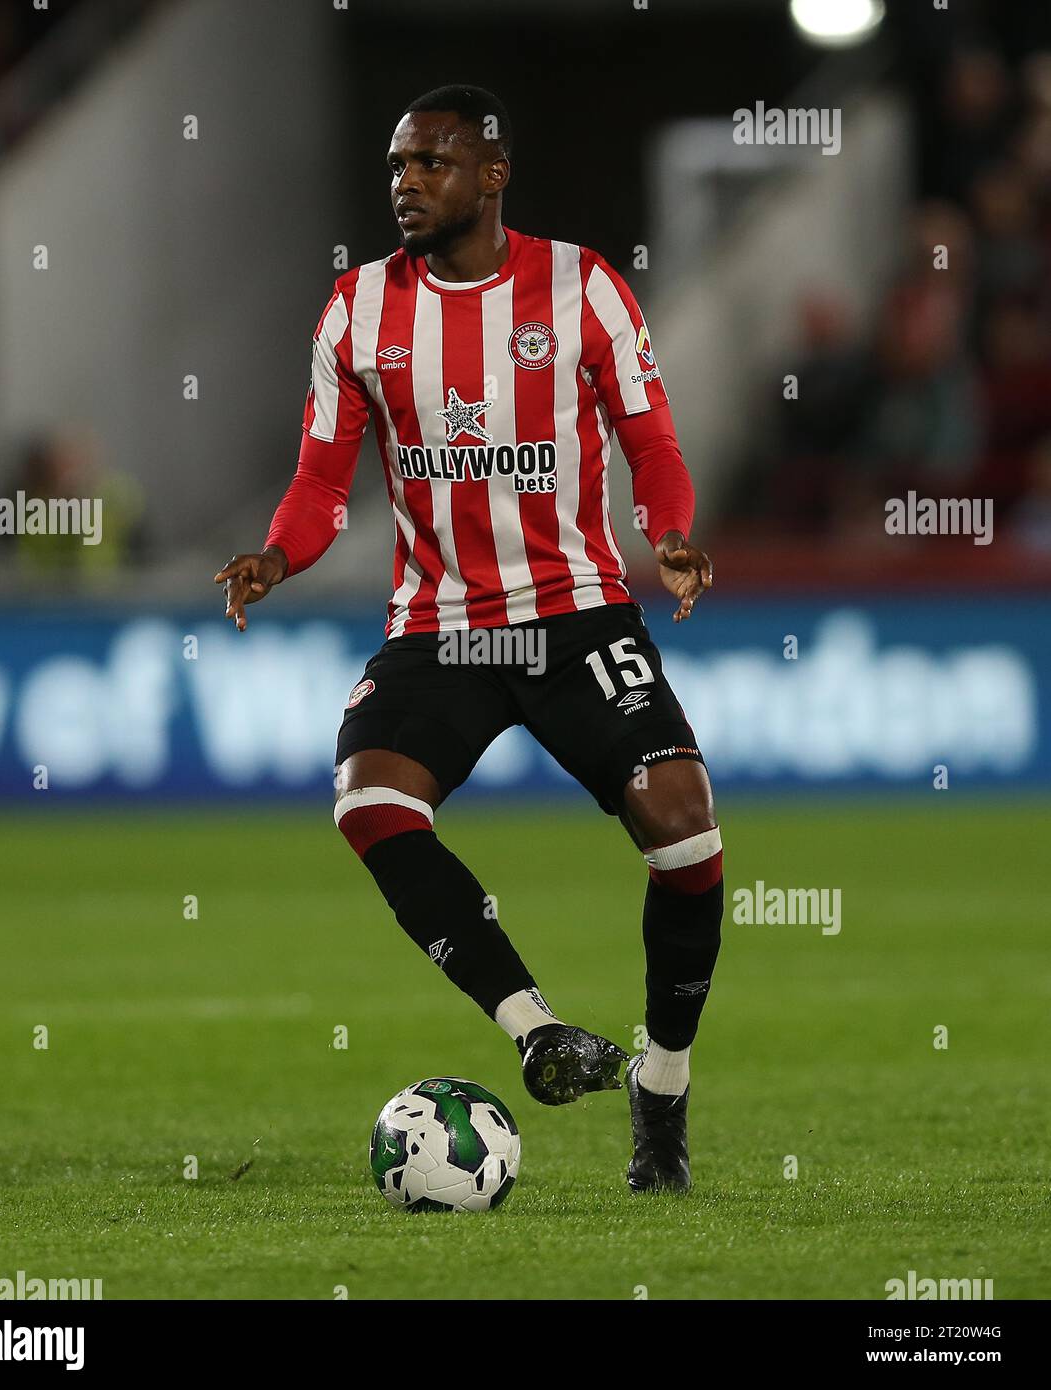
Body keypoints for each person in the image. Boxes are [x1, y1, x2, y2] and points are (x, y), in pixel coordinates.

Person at [215, 85, 720, 1193]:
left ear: (491, 175)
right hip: (442, 626)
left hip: (575, 609)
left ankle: (661, 1083)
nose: (405, 182)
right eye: (397, 164)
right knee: (369, 802)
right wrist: (274, 556)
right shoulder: (355, 310)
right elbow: (316, 480)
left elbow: (650, 438)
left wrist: (670, 533)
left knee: (682, 833)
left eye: (432, 163)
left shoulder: (581, 287)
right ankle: (538, 1031)